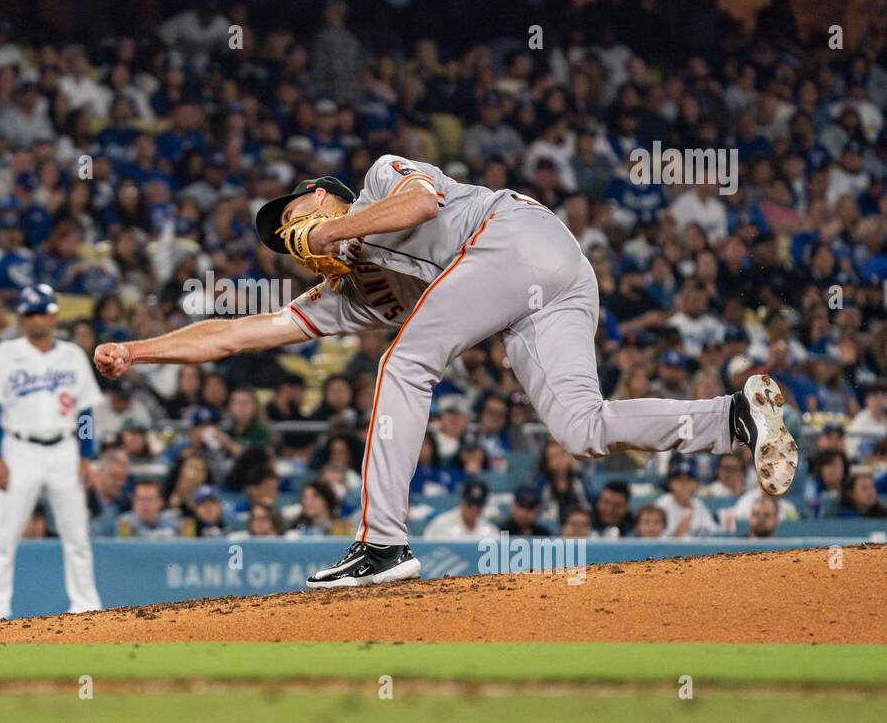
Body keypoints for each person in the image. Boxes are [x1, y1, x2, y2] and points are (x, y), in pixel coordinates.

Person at [95, 166, 799, 587]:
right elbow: (237, 336)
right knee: (580, 428)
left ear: (326, 197)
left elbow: (422, 205)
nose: (292, 233)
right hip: (550, 293)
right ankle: (733, 417)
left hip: (518, 235)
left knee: (405, 360)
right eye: (285, 234)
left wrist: (332, 230)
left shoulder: (377, 179)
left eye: (296, 215)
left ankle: (382, 544)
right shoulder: (352, 294)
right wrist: (139, 349)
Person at [0, 284, 104, 619]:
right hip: (19, 448)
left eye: (42, 312)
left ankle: (86, 606)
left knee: (77, 536)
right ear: (21, 317)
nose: (37, 319)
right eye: (30, 313)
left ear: (54, 315)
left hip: (65, 448)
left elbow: (84, 412)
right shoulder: (4, 354)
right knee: (5, 535)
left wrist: (86, 455)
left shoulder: (73, 355)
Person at [422, 478, 497, 540]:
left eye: (478, 505)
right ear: (462, 500)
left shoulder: (490, 530)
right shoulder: (440, 525)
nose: (474, 509)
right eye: (470, 504)